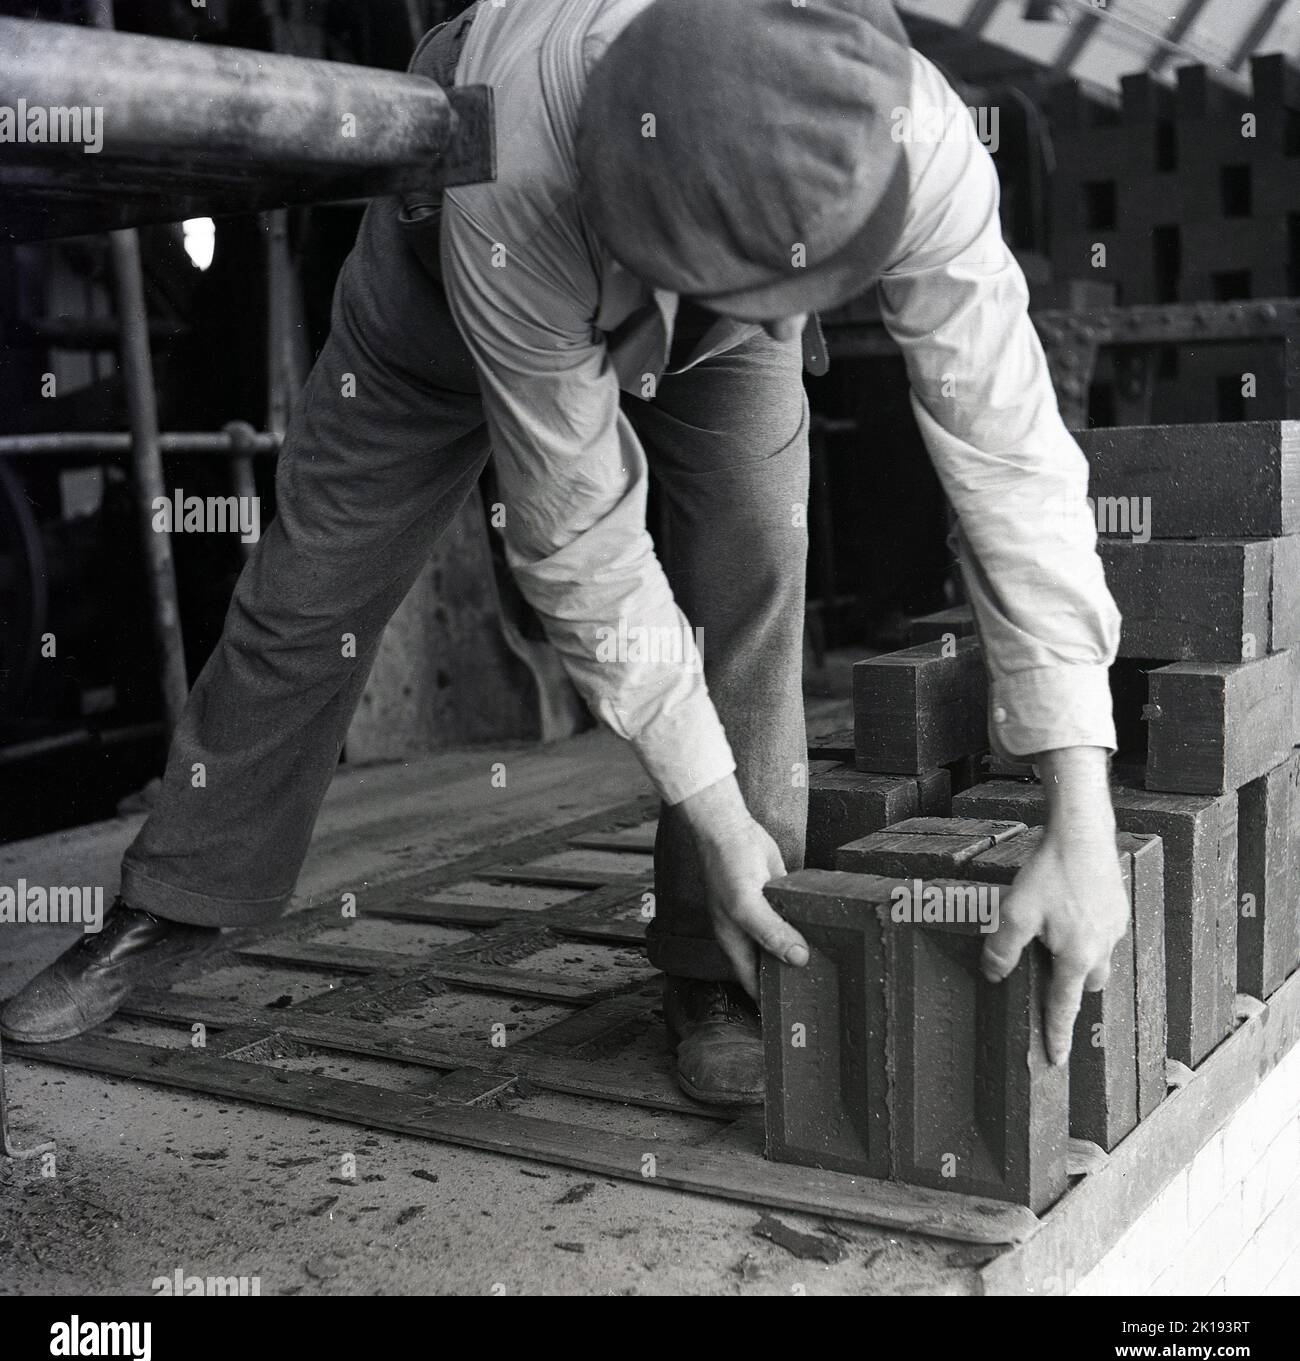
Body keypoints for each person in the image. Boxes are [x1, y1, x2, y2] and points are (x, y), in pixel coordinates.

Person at [2, 0, 1128, 1107]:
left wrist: (1080, 806)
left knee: (755, 558)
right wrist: (710, 798)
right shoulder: (520, 160)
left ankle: (718, 958)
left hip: (730, 275)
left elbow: (1010, 450)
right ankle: (179, 898)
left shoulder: (908, 141)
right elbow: (582, 534)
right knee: (315, 574)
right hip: (460, 276)